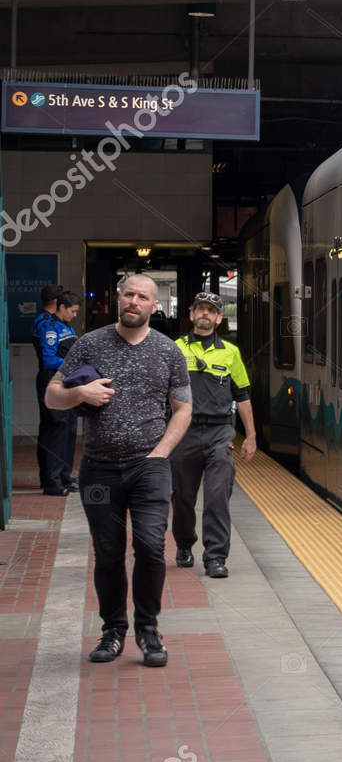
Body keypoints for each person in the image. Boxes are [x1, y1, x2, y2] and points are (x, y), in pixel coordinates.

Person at [45, 274, 191, 667]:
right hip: (99, 470)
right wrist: (79, 393)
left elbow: (183, 408)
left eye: (143, 297)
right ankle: (113, 630)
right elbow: (52, 396)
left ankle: (148, 629)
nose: (134, 301)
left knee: (150, 546)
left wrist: (162, 452)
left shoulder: (168, 351)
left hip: (150, 467)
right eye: (128, 294)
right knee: (108, 552)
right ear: (118, 298)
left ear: (154, 306)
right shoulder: (89, 344)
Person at [170, 292, 256, 578]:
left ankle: (215, 557)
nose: (205, 314)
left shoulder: (230, 352)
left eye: (211, 311)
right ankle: (184, 544)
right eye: (200, 309)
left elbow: (242, 395)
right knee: (182, 497)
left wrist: (252, 436)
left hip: (220, 433)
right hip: (184, 432)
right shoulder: (174, 348)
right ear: (192, 314)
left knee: (218, 495)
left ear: (219, 318)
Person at [32, 284, 79, 495]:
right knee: (56, 429)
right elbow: (49, 359)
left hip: (67, 381)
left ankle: (63, 476)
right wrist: (76, 366)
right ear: (58, 305)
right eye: (73, 310)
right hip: (52, 379)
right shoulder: (48, 325)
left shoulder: (66, 326)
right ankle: (52, 480)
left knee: (68, 429)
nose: (74, 314)